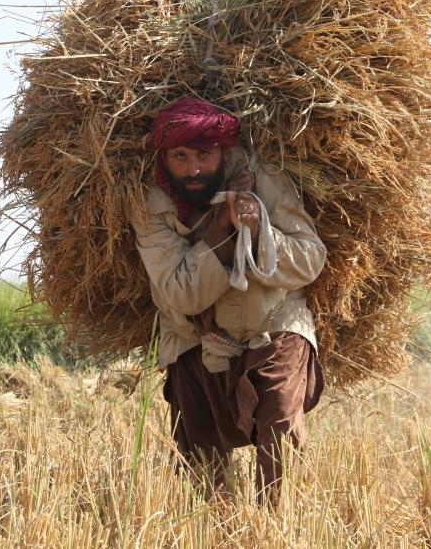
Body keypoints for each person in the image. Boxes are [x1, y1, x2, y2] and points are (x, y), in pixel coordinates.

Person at [126, 96, 326, 504]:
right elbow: (182, 294)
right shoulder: (154, 208)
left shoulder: (265, 182)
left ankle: (278, 529)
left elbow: (310, 260)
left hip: (272, 323)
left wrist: (257, 231)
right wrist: (223, 226)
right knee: (200, 458)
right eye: (180, 156)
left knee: (281, 428)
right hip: (194, 336)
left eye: (204, 154)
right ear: (164, 157)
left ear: (224, 151)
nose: (194, 168)